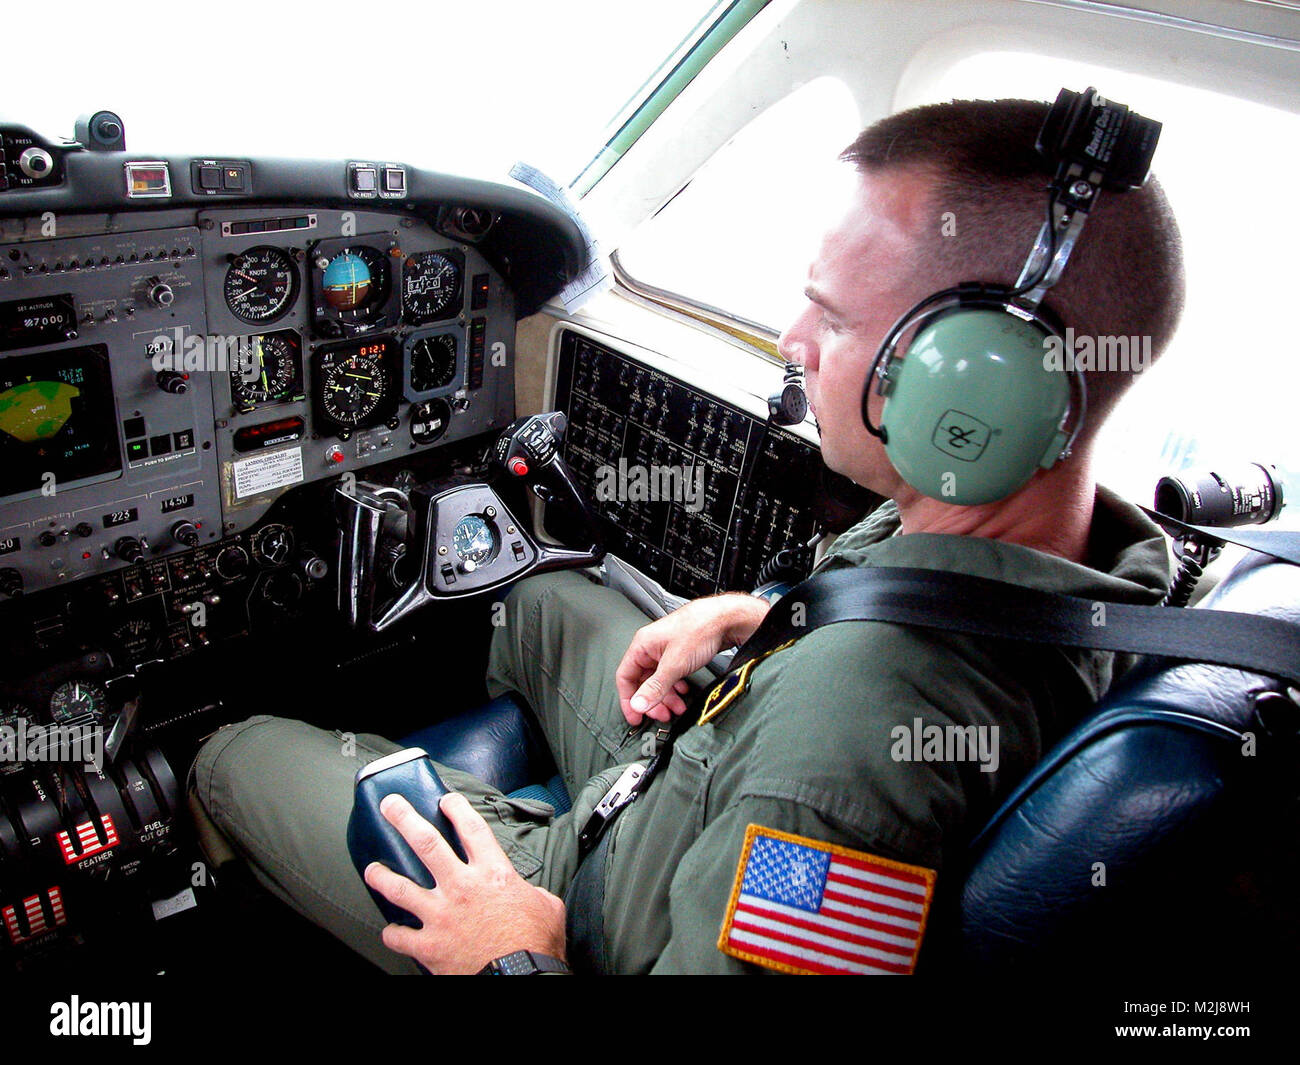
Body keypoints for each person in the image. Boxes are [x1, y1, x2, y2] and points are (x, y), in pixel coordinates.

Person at [192, 97, 1184, 974]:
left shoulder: (843, 768)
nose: (791, 339)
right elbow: (896, 631)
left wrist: (508, 953)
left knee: (232, 754)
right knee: (535, 600)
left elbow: (836, 763)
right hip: (692, 777)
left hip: (584, 917)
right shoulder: (1075, 552)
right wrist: (760, 617)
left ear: (980, 391)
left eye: (834, 320)